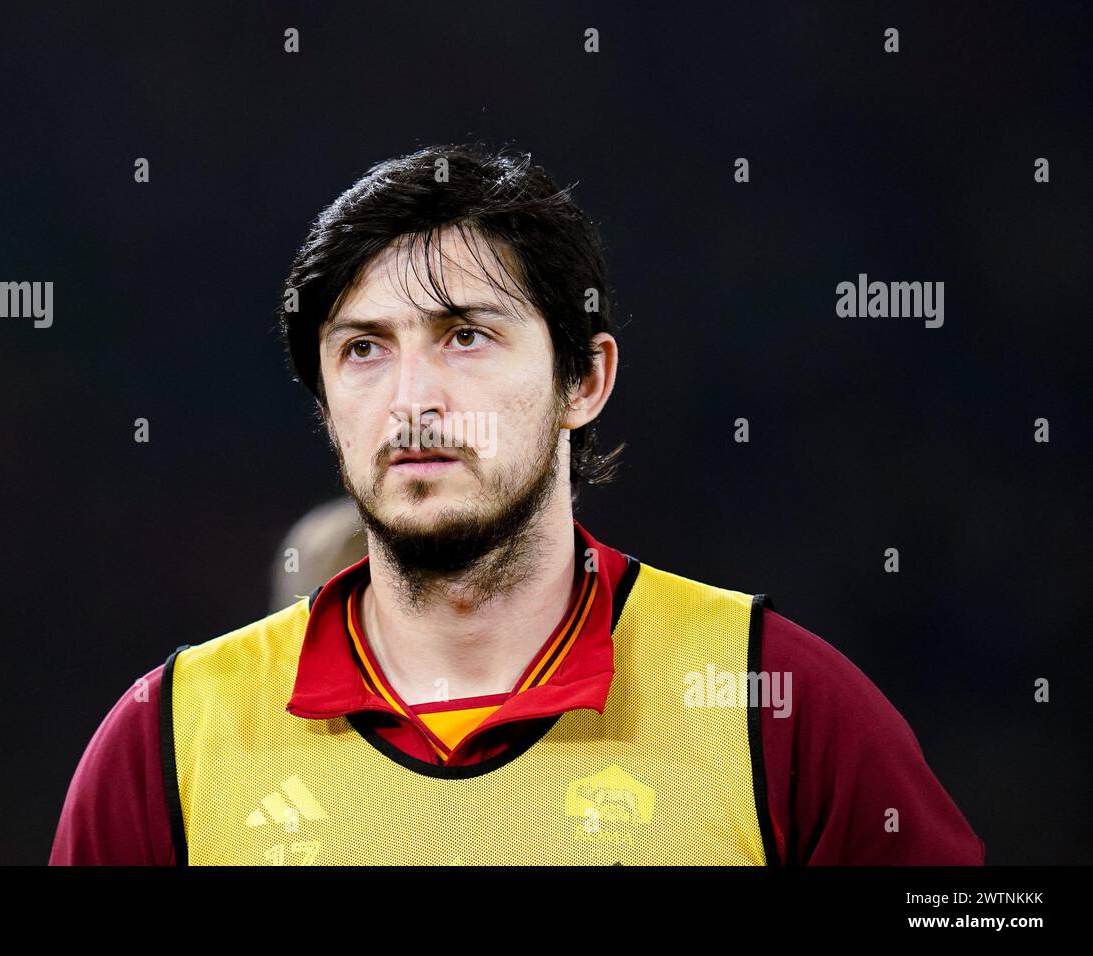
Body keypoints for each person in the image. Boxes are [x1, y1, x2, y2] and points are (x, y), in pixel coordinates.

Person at [50, 144, 985, 865]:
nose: (412, 399)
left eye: (466, 335)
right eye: (364, 349)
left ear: (584, 379)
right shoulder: (165, 741)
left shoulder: (776, 706)